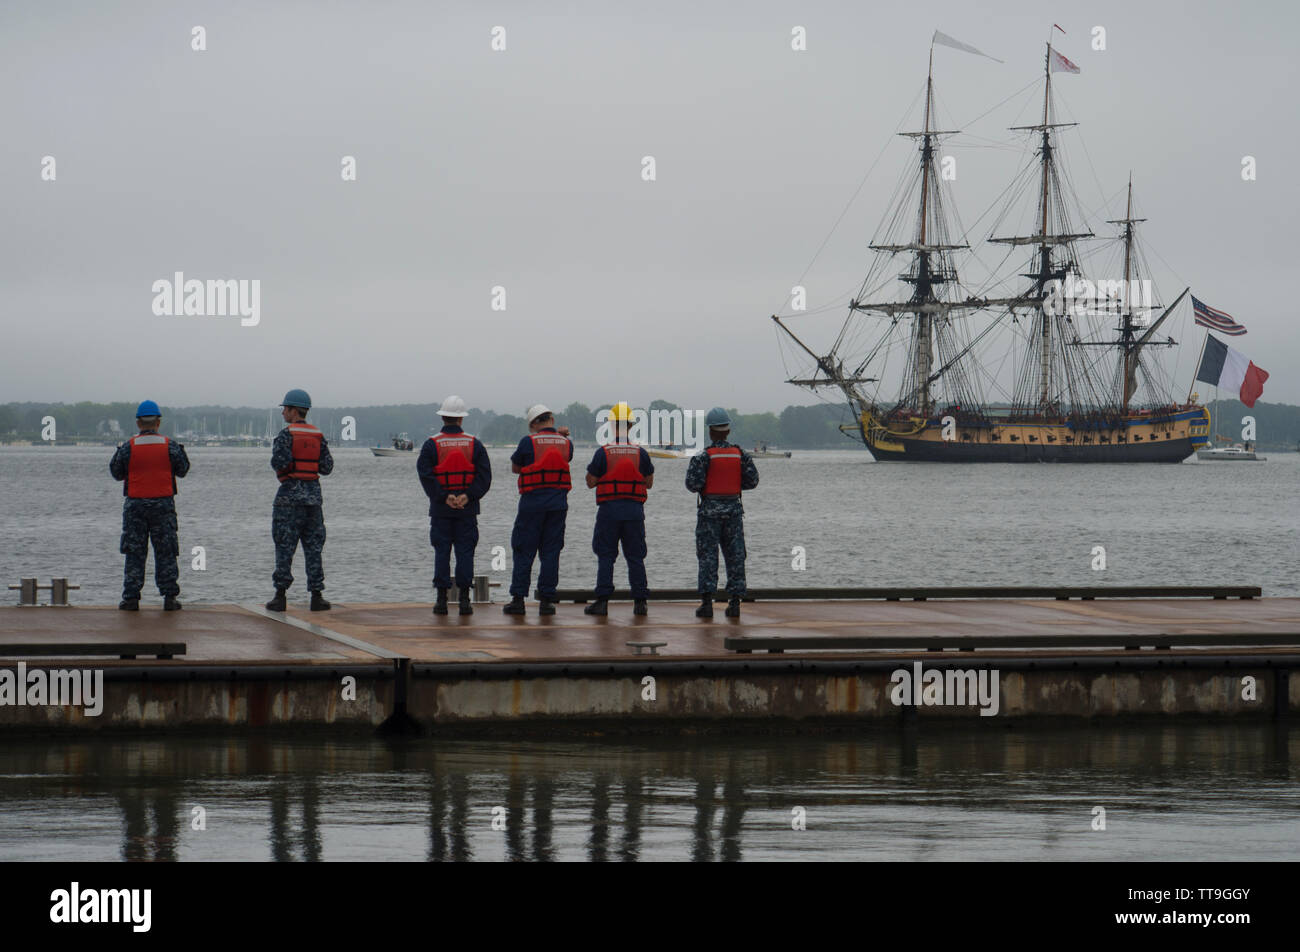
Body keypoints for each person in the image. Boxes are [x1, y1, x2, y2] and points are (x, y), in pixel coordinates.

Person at [109, 400, 190, 611]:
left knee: (134, 552)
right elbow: (183, 469)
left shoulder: (128, 447)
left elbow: (116, 473)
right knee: (166, 551)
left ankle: (131, 598)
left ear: (138, 423)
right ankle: (170, 597)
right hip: (163, 505)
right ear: (158, 422)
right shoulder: (170, 446)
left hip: (135, 506)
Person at [417, 395, 492, 615]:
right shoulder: (474, 444)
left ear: (443, 417)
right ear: (461, 419)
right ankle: (465, 601)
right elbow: (484, 477)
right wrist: (468, 496)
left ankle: (441, 601)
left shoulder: (432, 444)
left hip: (441, 510)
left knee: (442, 553)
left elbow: (425, 474)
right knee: (465, 553)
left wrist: (444, 496)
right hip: (467, 510)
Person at [684, 407, 759, 618]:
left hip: (709, 513)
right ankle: (734, 604)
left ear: (710, 431)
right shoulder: (740, 455)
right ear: (727, 431)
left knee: (708, 557)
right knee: (735, 557)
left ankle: (707, 604)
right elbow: (752, 481)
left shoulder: (702, 457)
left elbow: (692, 484)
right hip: (734, 512)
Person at [584, 401, 654, 616]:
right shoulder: (640, 453)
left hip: (609, 511)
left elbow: (590, 482)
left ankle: (602, 602)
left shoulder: (603, 452)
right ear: (631, 426)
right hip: (634, 511)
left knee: (606, 555)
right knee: (635, 556)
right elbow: (649, 483)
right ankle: (640, 603)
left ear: (612, 425)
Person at [266, 389, 333, 612]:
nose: (283, 412)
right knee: (314, 548)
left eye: (285, 408)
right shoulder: (318, 436)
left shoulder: (285, 436)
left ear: (294, 410)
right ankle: (317, 596)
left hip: (288, 500)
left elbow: (279, 463)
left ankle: (280, 596)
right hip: (313, 501)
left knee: (284, 548)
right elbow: (327, 467)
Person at [504, 405, 573, 616]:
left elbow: (516, 467)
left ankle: (518, 600)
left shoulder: (528, 442)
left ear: (533, 424)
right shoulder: (566, 443)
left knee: (524, 550)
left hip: (531, 504)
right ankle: (547, 602)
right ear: (551, 418)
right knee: (551, 553)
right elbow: (566, 457)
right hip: (558, 506)